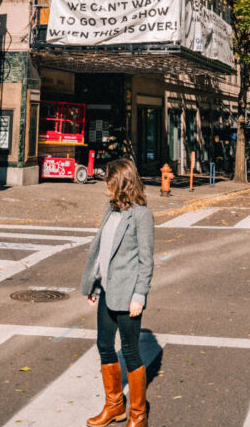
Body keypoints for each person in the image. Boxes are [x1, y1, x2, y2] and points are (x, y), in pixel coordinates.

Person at [81, 158, 155, 427]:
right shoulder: (110, 209)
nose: (106, 186)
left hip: (128, 295)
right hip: (107, 289)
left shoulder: (141, 215)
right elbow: (103, 252)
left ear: (121, 182)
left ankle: (138, 415)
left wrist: (140, 295)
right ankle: (114, 406)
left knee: (131, 351)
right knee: (104, 346)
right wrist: (95, 285)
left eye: (110, 181)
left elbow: (146, 260)